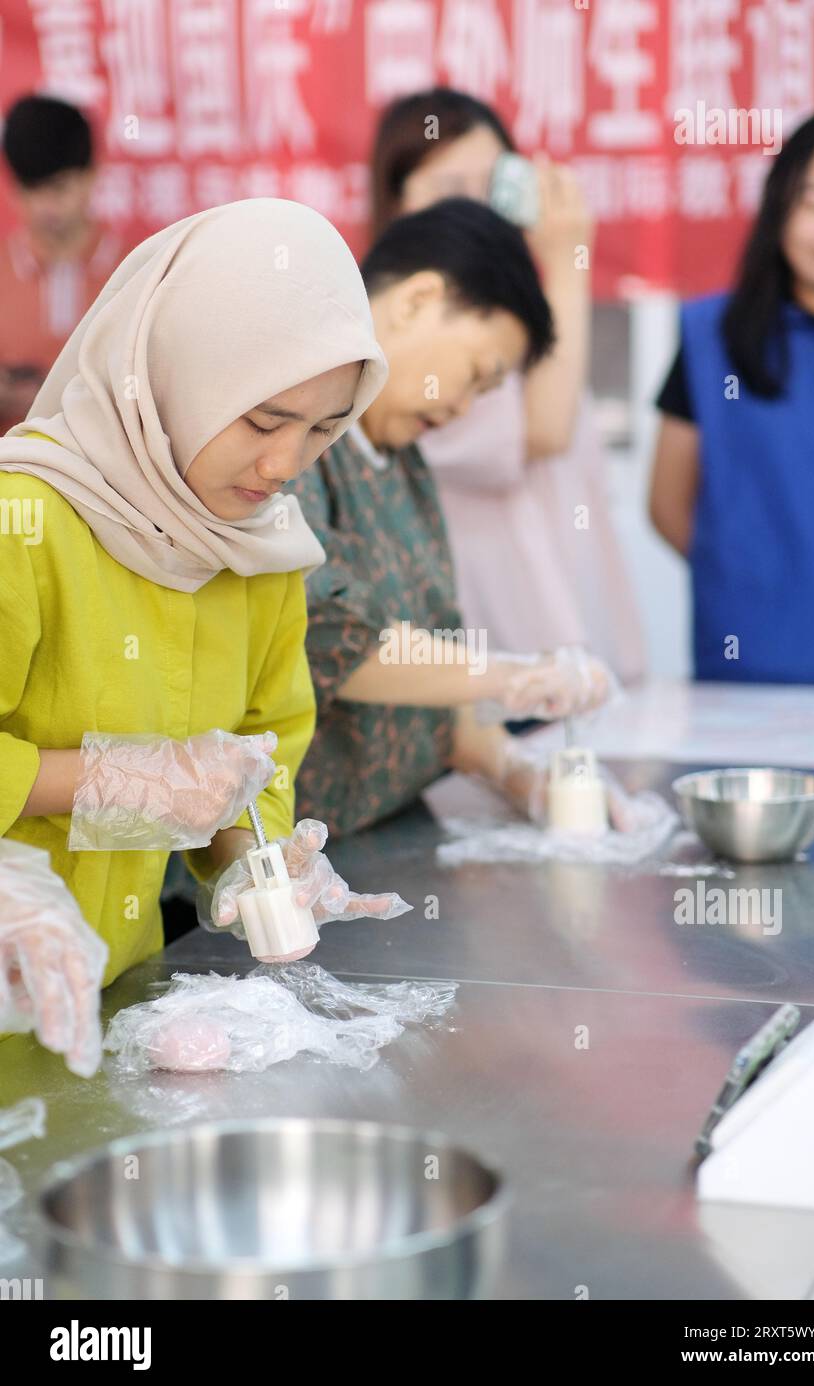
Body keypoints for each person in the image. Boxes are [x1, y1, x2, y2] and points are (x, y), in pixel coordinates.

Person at [0, 198, 405, 1075]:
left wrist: (257, 862)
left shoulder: (257, 554)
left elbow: (262, 749)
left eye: (324, 430)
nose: (284, 464)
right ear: (170, 374)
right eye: (263, 421)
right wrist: (102, 778)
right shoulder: (22, 524)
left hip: (112, 990)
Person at [286, 198, 614, 840]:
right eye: (476, 375)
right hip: (287, 861)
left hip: (385, 835)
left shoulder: (407, 464)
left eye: (486, 395)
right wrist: (514, 675)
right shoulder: (292, 436)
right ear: (415, 301)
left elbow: (437, 678)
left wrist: (519, 774)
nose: (463, 406)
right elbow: (324, 635)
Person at [369, 88, 645, 680]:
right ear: (396, 204)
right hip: (494, 660)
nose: (483, 210)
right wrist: (570, 261)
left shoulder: (513, 327)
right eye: (450, 190)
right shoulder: (411, 351)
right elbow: (542, 432)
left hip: (580, 632)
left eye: (496, 185)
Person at [650, 107, 814, 685]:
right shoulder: (710, 337)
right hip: (748, 682)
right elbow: (668, 505)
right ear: (778, 211)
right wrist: (742, 572)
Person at [0, 94, 132, 433]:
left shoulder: (137, 269)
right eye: (30, 189)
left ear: (91, 175)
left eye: (59, 188)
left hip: (108, 476)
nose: (45, 206)